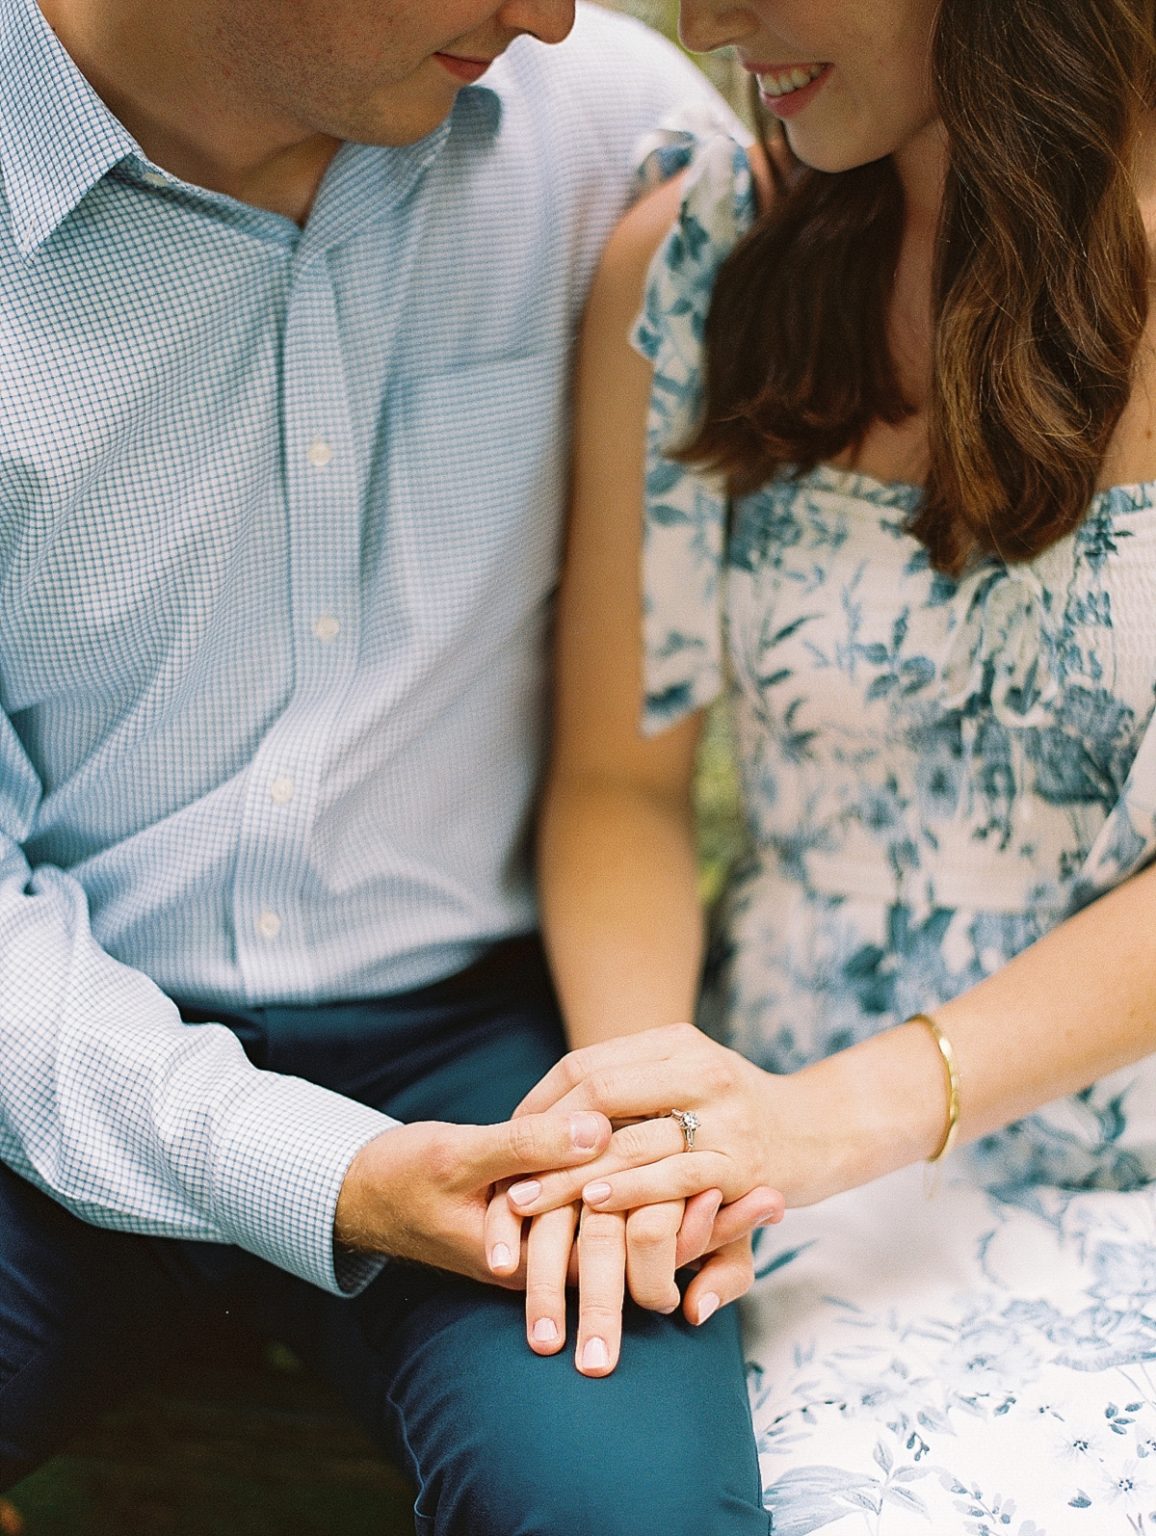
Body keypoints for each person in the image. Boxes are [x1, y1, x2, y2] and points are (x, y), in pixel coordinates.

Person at [0, 0, 783, 1530]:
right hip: (45, 1048)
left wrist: (640, 1121)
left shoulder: (622, 137)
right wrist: (324, 1172)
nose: (551, 11)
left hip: (497, 1064)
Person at [506, 0, 1156, 1528]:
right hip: (776, 1153)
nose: (712, 24)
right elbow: (619, 788)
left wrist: (845, 1116)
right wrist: (652, 1121)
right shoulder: (693, 263)